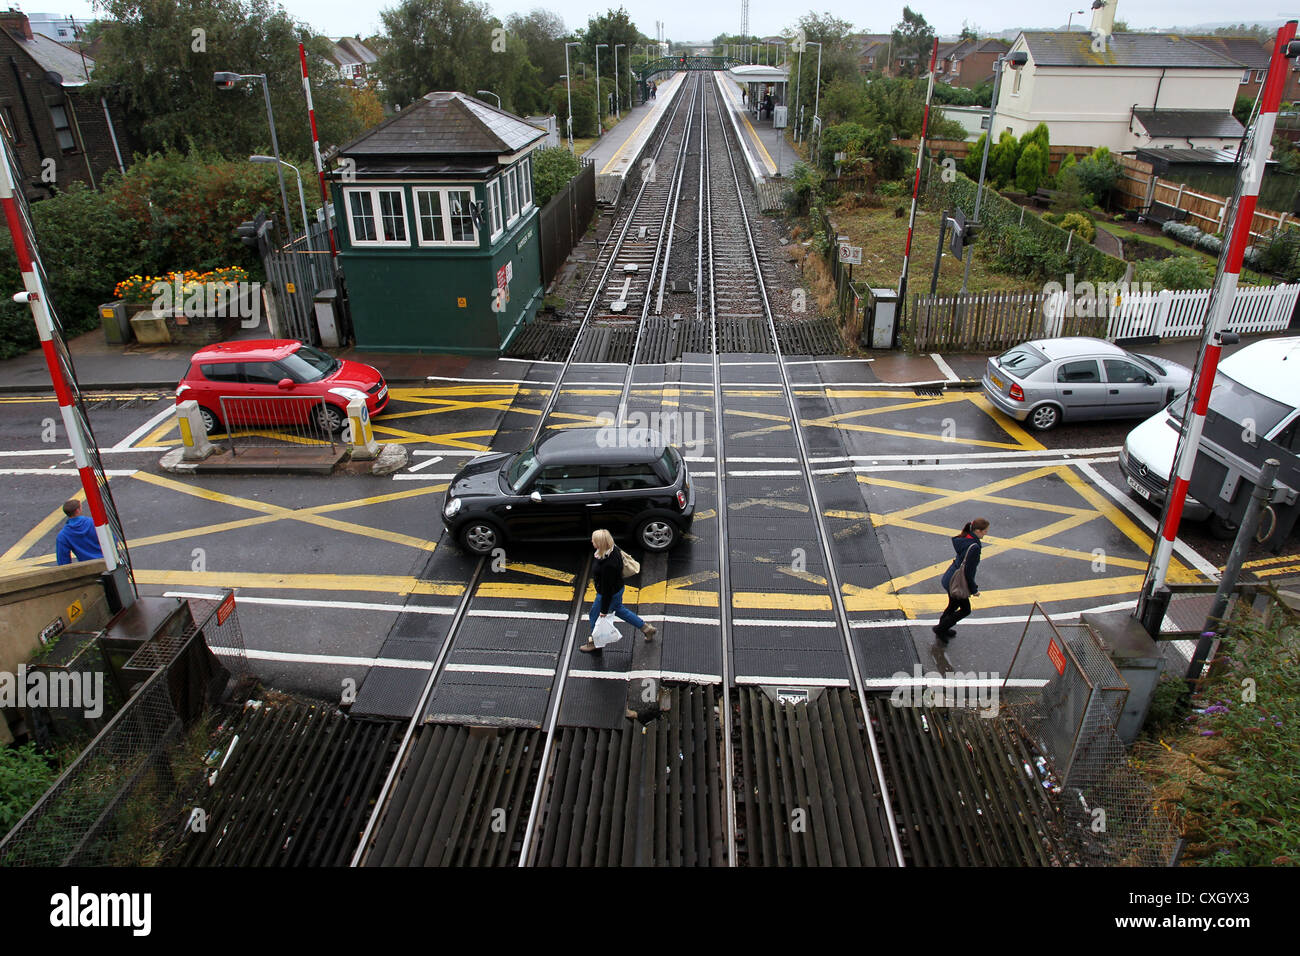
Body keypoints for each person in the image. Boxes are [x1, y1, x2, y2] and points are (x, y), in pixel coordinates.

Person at [579, 529, 656, 652]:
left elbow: (607, 591)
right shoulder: (612, 549)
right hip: (618, 588)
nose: (591, 542)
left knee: (594, 615)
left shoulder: (608, 565)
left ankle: (595, 642)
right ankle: (647, 629)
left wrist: (604, 610)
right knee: (619, 610)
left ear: (600, 543)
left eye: (594, 540)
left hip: (609, 593)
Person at [933, 518, 989, 643]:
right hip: (956, 582)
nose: (986, 533)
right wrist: (974, 590)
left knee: (953, 605)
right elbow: (968, 571)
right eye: (985, 531)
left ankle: (943, 628)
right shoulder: (974, 547)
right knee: (965, 610)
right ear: (978, 531)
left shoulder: (965, 538)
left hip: (950, 577)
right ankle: (941, 628)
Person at [55, 498, 103, 566]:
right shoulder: (94, 522)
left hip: (89, 568)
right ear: (78, 510)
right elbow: (112, 540)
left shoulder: (63, 535)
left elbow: (63, 561)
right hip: (106, 562)